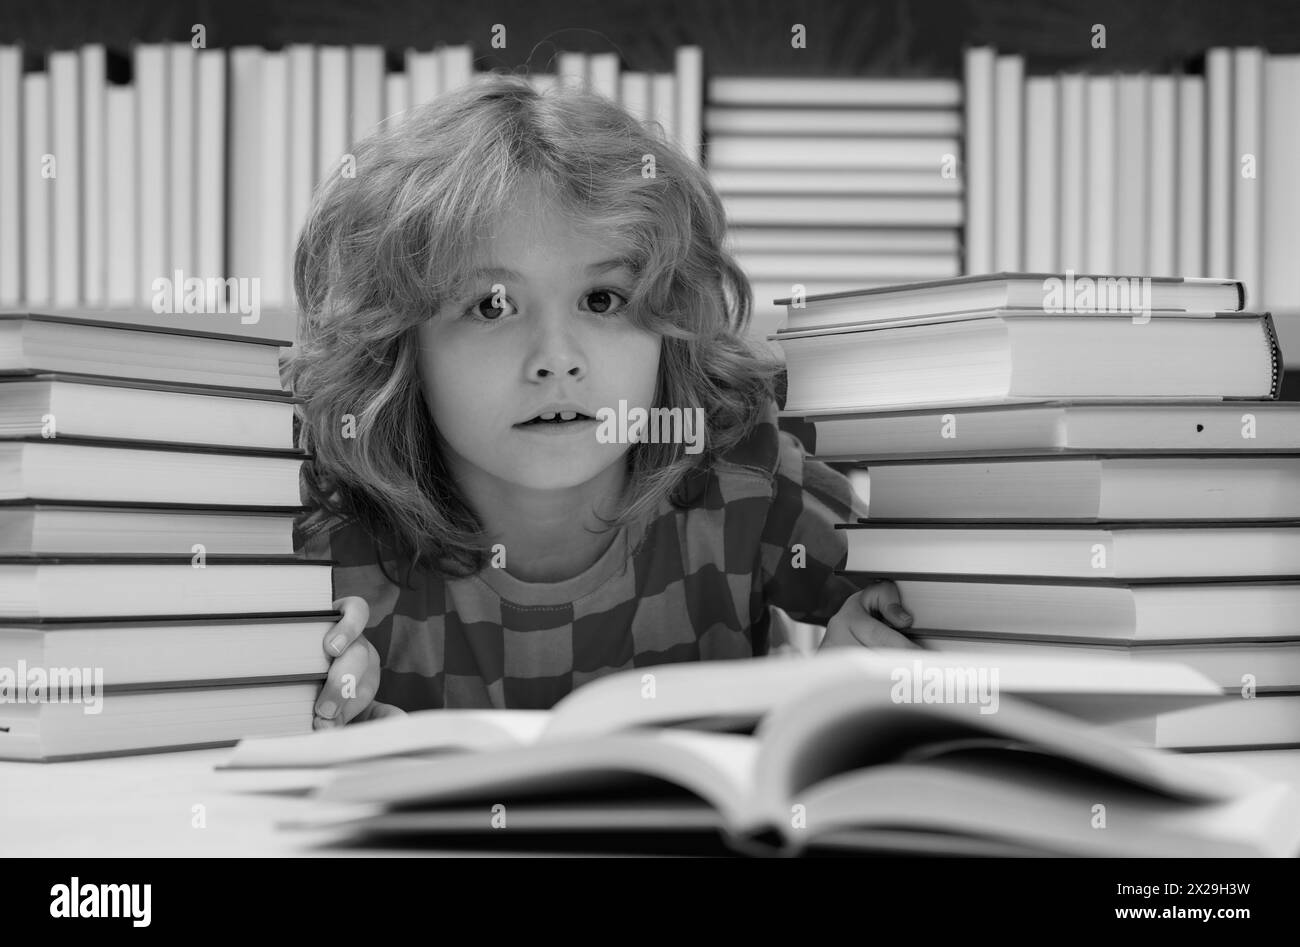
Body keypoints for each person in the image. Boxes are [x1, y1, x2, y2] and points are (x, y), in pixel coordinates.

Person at [282, 72, 916, 730]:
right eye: (492, 305)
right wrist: (316, 709)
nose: (557, 357)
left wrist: (860, 661)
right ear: (399, 343)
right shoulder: (336, 539)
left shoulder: (744, 481)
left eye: (603, 300)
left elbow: (920, 596)